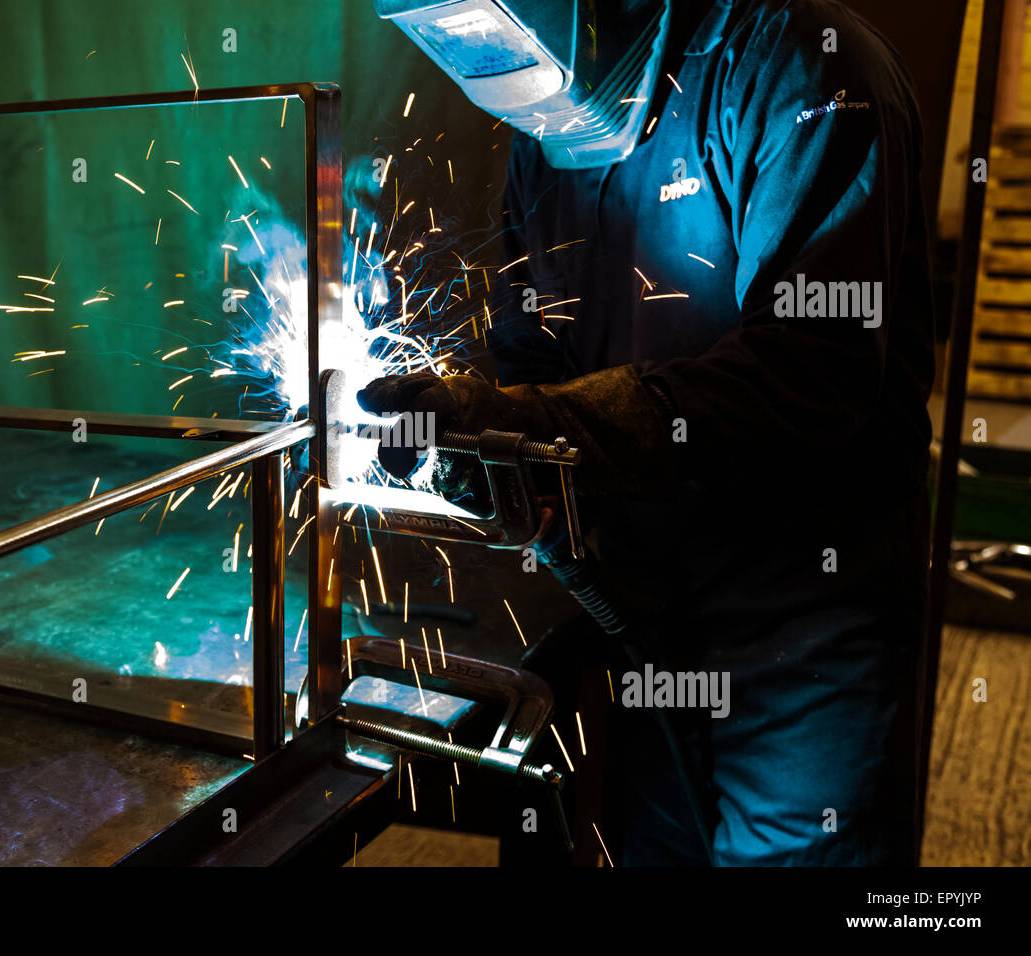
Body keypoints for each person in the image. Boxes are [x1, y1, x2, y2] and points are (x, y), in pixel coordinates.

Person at [361, 0, 935, 865]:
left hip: (802, 631)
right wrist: (487, 445)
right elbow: (530, 354)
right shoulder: (547, 129)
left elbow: (813, 367)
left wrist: (543, 425)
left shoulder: (803, 68)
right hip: (638, 613)